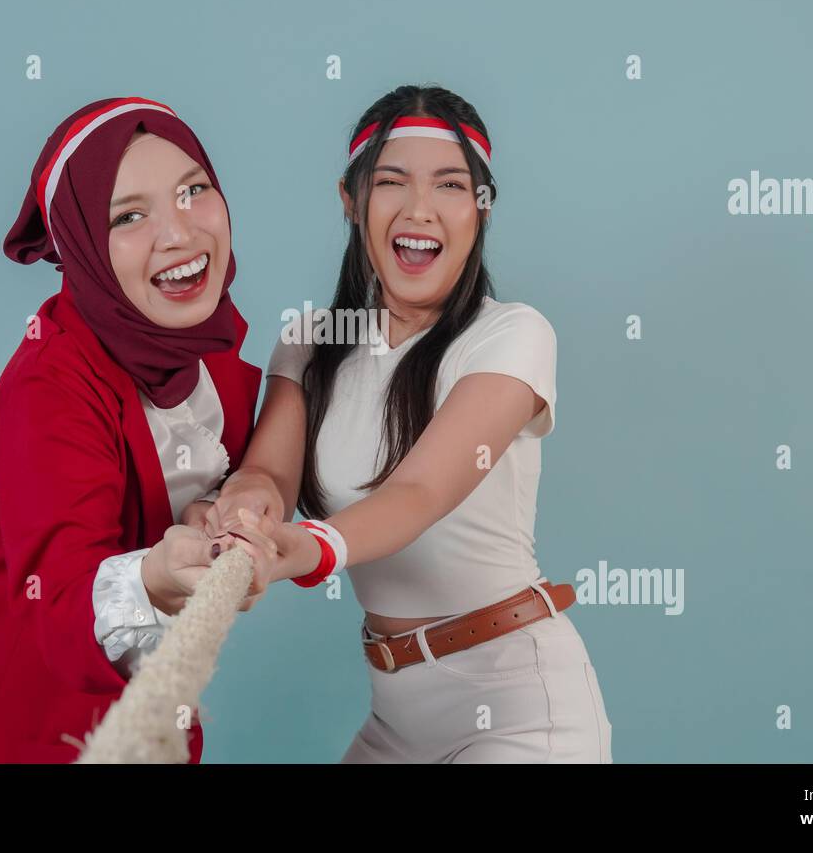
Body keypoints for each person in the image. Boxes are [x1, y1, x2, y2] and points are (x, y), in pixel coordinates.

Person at [208, 84, 614, 763]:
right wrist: (244, 514)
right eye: (391, 182)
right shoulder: (310, 342)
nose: (420, 209)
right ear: (351, 199)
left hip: (519, 708)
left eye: (452, 185)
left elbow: (419, 493)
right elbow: (267, 472)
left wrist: (302, 551)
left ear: (481, 209)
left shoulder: (511, 336)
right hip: (397, 717)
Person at [0, 97, 278, 763]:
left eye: (194, 191)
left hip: (146, 706)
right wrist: (157, 574)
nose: (179, 233)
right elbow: (61, 599)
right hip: (14, 722)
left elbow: (257, 449)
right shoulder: (50, 385)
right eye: (129, 216)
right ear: (79, 246)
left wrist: (236, 494)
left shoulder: (207, 343)